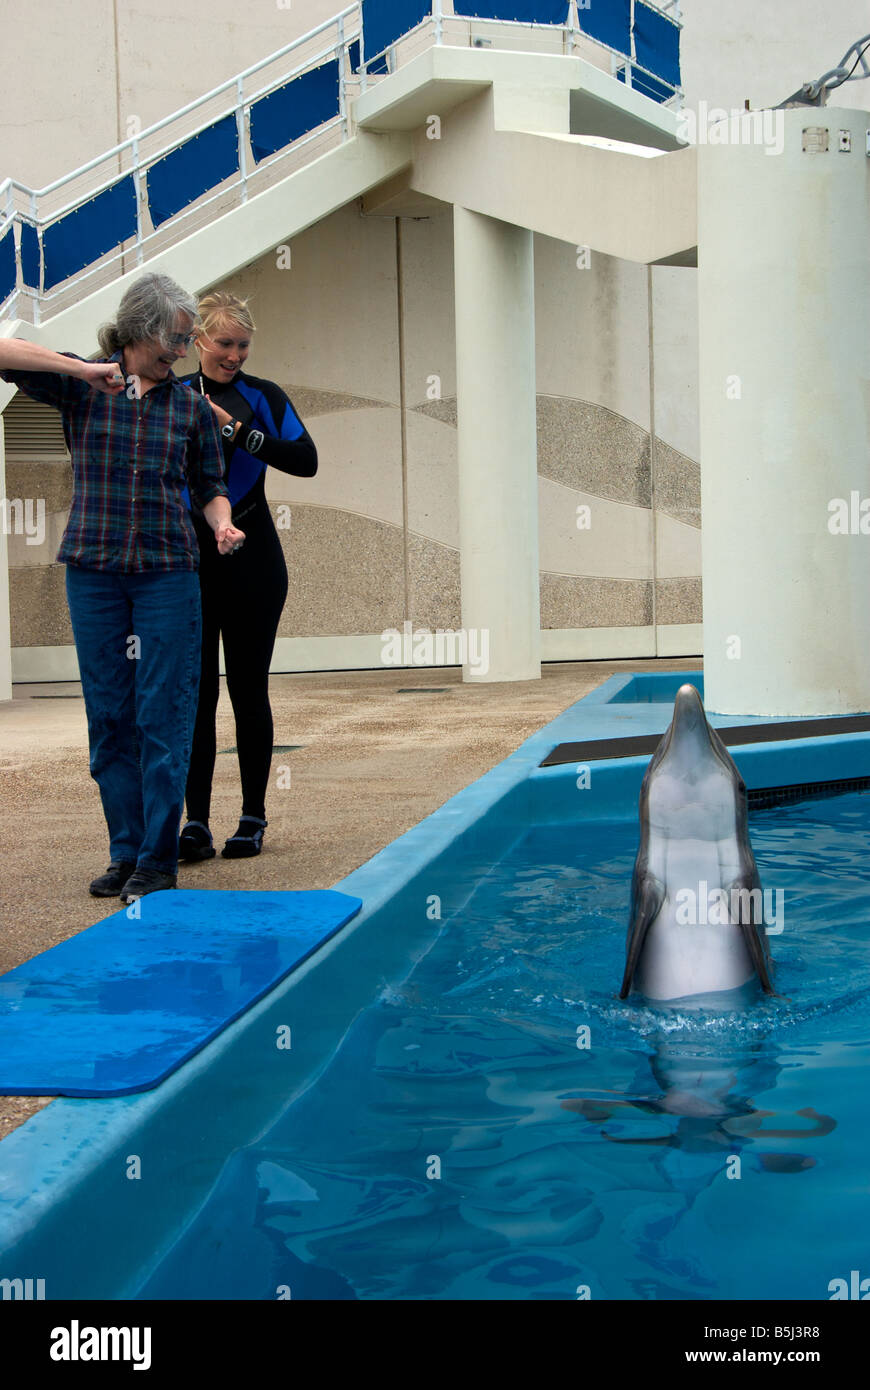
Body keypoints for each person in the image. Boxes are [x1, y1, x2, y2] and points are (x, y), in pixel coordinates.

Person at [0, 273, 245, 901]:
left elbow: (210, 485)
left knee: (165, 712)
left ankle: (158, 858)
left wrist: (222, 526)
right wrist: (81, 371)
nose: (184, 352)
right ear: (142, 329)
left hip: (168, 573)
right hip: (95, 572)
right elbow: (3, 350)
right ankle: (126, 850)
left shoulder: (190, 406)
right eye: (177, 339)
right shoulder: (85, 386)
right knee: (110, 717)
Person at [178, 291, 317, 860]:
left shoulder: (263, 396)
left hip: (253, 555)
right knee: (197, 695)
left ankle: (252, 817)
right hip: (190, 559)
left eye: (242, 345)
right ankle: (195, 822)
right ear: (197, 341)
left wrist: (235, 429)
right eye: (224, 343)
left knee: (248, 688)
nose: (233, 354)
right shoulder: (176, 394)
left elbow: (305, 460)